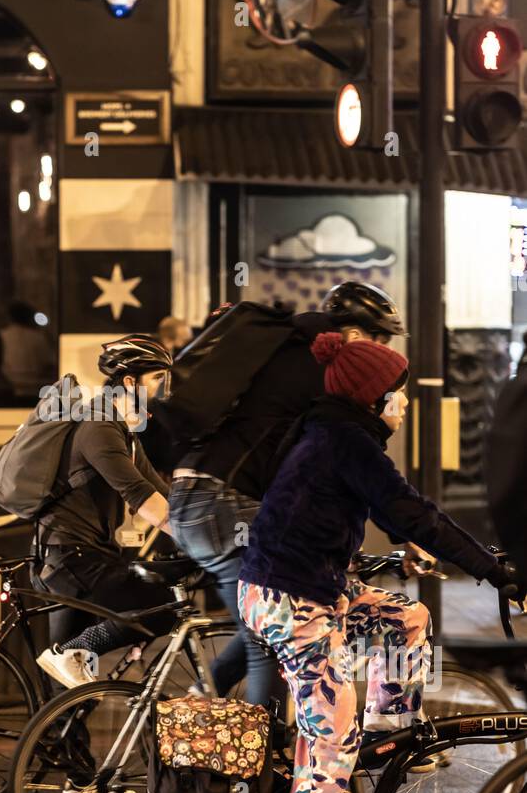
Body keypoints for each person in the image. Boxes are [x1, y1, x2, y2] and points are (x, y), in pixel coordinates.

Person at [237, 331, 519, 793]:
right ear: (373, 399)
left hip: (313, 589)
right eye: (398, 393)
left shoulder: (330, 432)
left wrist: (393, 552)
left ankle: (388, 735)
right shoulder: (346, 440)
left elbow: (344, 513)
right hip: (290, 603)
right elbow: (411, 509)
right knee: (330, 730)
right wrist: (495, 569)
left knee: (407, 618)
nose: (405, 404)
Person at [168, 282, 407, 704]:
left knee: (270, 612)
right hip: (224, 500)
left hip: (198, 491)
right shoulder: (322, 373)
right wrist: (404, 534)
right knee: (271, 630)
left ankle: (195, 709)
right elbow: (345, 467)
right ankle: (257, 764)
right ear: (353, 335)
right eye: (380, 338)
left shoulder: (287, 347)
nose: (383, 350)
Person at [34, 336, 176, 694]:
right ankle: (71, 655)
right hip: (70, 556)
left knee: (72, 691)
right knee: (158, 608)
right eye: (158, 378)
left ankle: (59, 745)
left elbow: (161, 491)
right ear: (130, 382)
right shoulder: (99, 427)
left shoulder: (122, 431)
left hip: (86, 553)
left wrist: (205, 517)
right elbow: (143, 498)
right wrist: (203, 540)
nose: (164, 388)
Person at [0, 301, 54, 402]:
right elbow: (48, 363)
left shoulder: (2, 336)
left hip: (11, 388)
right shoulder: (38, 337)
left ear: (9, 316)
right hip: (34, 389)